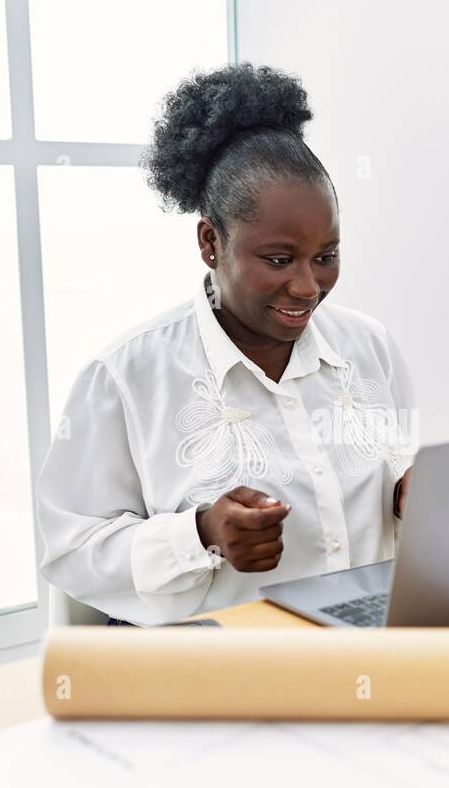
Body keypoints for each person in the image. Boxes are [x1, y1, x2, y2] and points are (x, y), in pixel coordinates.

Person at [35, 63, 416, 625]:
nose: (309, 286)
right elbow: (70, 550)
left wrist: (413, 497)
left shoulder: (370, 348)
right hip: (213, 670)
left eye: (326, 256)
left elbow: (394, 492)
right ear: (211, 242)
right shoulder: (126, 377)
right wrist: (199, 534)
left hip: (365, 644)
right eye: (279, 260)